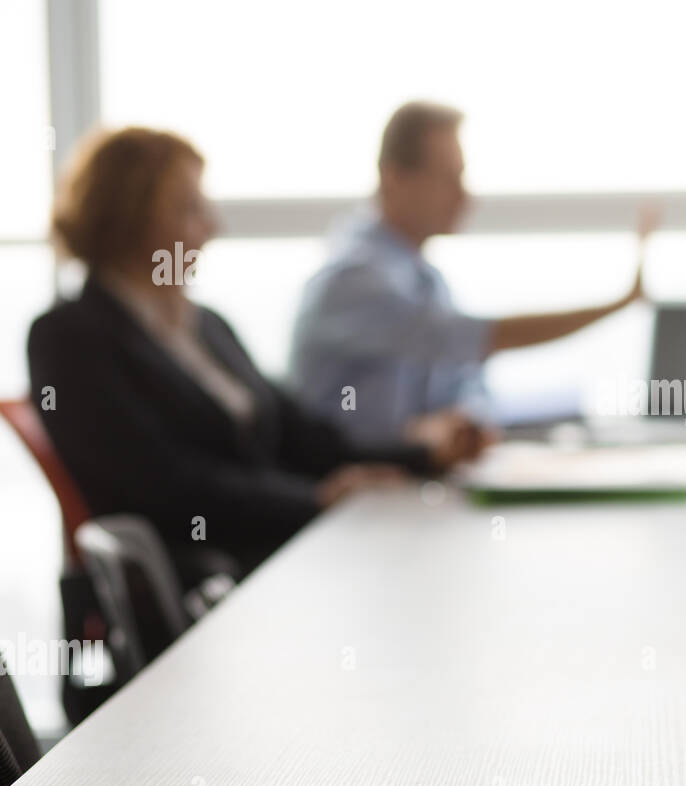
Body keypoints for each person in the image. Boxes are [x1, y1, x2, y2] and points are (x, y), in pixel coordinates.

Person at [29, 127, 487, 583]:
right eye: (190, 210)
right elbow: (164, 484)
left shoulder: (204, 325)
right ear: (128, 221)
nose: (212, 228)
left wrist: (421, 455)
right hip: (212, 573)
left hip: (278, 550)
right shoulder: (69, 337)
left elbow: (297, 432)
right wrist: (315, 499)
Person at [288, 101, 653, 445]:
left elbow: (469, 382)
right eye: (448, 178)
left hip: (408, 485)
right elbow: (479, 338)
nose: (465, 197)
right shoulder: (354, 280)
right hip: (347, 490)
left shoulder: (426, 280)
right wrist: (619, 302)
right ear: (395, 179)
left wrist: (467, 417)